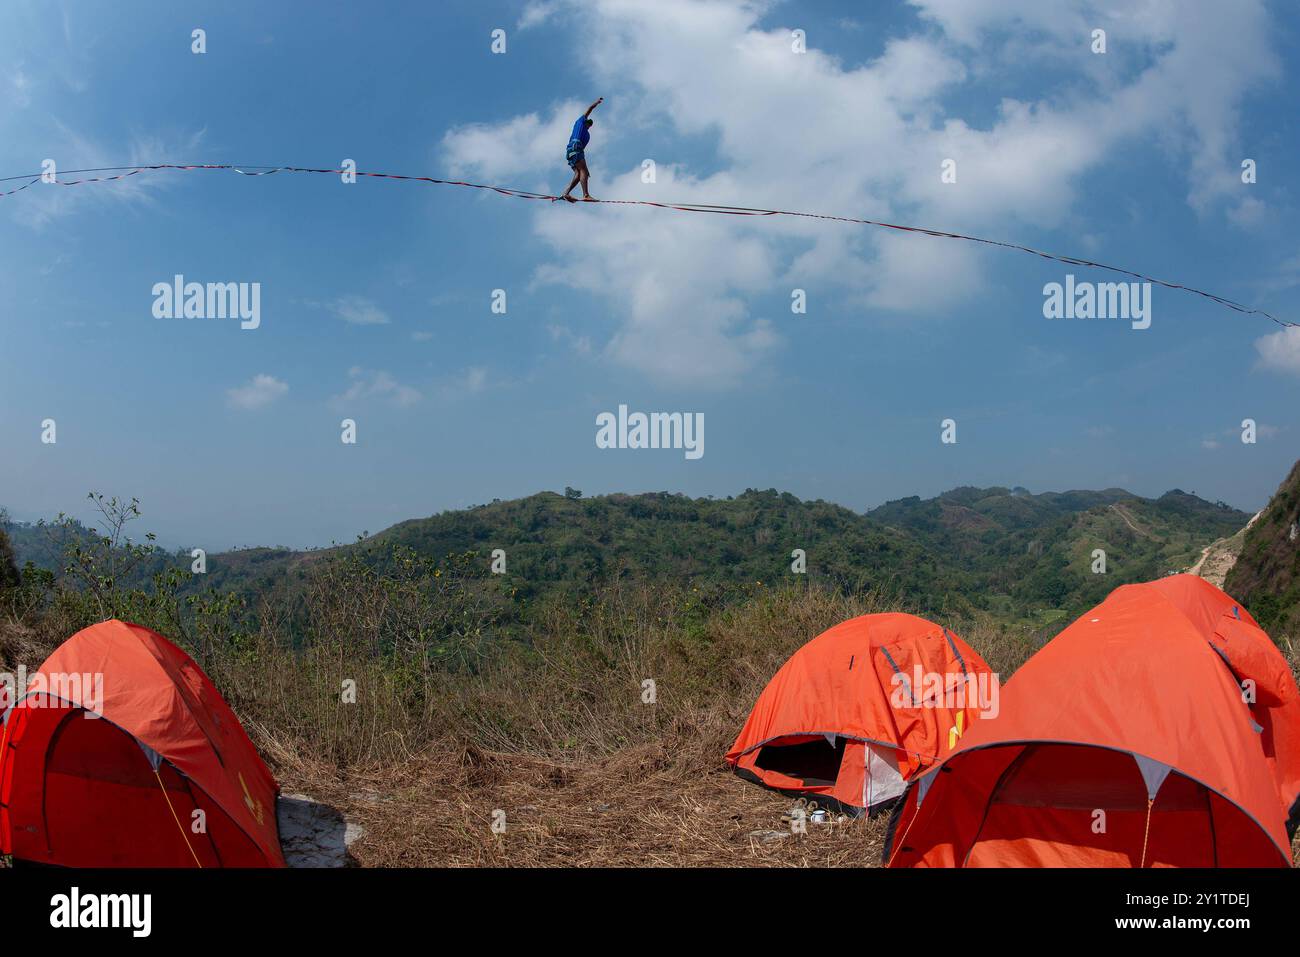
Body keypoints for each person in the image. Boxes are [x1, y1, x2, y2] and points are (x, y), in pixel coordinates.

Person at [561, 97, 603, 202]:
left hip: (570, 150)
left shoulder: (584, 131)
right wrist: (596, 103)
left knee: (578, 173)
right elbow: (589, 109)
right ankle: (586, 194)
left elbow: (581, 151)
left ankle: (566, 193)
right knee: (583, 171)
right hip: (576, 147)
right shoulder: (580, 122)